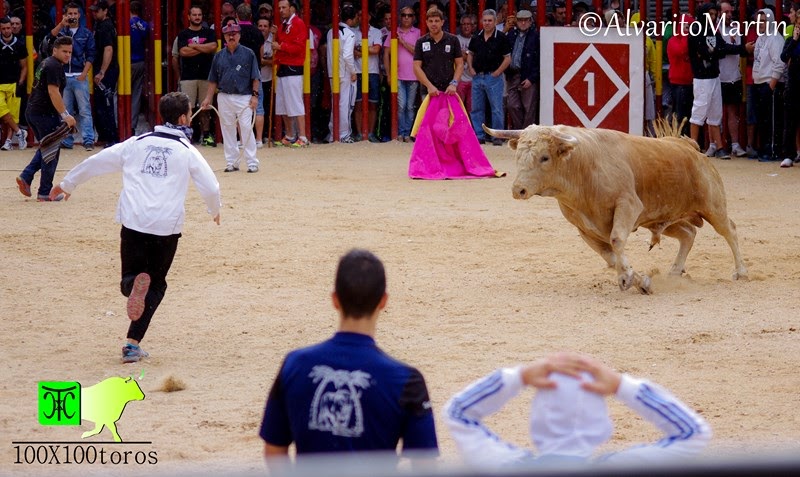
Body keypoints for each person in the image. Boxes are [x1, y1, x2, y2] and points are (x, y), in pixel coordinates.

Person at [48, 92, 221, 364]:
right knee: (157, 285)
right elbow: (211, 186)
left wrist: (67, 184)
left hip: (134, 222)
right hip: (166, 228)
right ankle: (131, 344)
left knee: (131, 276)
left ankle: (131, 286)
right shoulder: (188, 151)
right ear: (184, 118)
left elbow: (97, 162)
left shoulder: (136, 143)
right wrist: (214, 210)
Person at [259, 249, 438, 464]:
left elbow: (274, 451)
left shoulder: (294, 365)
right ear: (383, 301)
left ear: (335, 299)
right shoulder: (407, 380)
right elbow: (425, 466)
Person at [444, 352, 711, 467]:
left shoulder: (508, 467)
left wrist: (521, 376)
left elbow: (457, 412)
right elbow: (693, 433)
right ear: (602, 428)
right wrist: (621, 385)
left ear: (536, 422)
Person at [15, 36, 76, 202]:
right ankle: (44, 192)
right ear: (55, 50)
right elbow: (53, 92)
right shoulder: (55, 66)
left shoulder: (46, 62)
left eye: (70, 52)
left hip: (34, 110)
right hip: (44, 113)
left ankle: (27, 176)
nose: (67, 55)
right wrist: (66, 115)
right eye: (64, 51)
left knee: (47, 147)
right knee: (52, 151)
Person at [201, 23, 260, 173]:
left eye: (234, 33)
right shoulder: (219, 56)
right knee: (227, 129)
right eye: (228, 34)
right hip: (224, 95)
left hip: (244, 96)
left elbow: (255, 78)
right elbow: (213, 80)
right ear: (225, 37)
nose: (231, 36)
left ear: (239, 35)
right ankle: (232, 162)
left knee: (246, 128)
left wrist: (254, 96)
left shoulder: (249, 54)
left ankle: (252, 162)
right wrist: (208, 98)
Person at [687, 3, 733, 158]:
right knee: (698, 111)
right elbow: (703, 51)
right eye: (710, 14)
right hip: (702, 77)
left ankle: (719, 147)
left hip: (713, 75)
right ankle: (693, 146)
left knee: (715, 113)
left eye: (714, 14)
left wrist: (713, 52)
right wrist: (714, 52)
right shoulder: (696, 29)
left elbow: (720, 49)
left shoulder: (711, 29)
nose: (713, 17)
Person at [50, 2, 95, 151]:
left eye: (75, 14)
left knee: (84, 110)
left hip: (78, 75)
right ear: (65, 15)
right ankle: (67, 140)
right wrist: (61, 24)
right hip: (63, 76)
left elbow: (91, 55)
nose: (73, 16)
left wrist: (84, 74)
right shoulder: (62, 32)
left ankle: (88, 139)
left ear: (79, 15)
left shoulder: (86, 33)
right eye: (70, 14)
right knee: (65, 109)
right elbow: (50, 38)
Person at [467, 9, 511, 145]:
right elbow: (470, 54)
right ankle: (479, 136)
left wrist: (497, 72)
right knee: (476, 108)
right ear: (481, 21)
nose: (487, 23)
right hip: (478, 76)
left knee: (496, 108)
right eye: (485, 20)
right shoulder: (476, 37)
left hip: (494, 77)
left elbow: (507, 58)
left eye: (490, 20)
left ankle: (497, 136)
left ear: (495, 21)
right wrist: (471, 68)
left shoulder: (502, 38)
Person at [748, 8, 786, 162]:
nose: (760, 24)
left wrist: (771, 85)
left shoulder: (775, 39)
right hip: (759, 83)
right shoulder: (760, 39)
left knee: (772, 120)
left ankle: (773, 150)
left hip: (770, 84)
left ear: (769, 21)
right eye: (758, 21)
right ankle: (763, 148)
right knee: (762, 119)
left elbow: (779, 63)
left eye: (763, 21)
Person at [178, 5, 217, 147]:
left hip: (206, 75)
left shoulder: (209, 32)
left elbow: (213, 47)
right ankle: (188, 135)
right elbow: (183, 52)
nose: (197, 17)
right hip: (188, 76)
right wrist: (203, 48)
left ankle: (206, 135)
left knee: (205, 107)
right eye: (194, 15)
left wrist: (193, 46)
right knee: (187, 108)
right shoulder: (183, 34)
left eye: (199, 14)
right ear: (189, 17)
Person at [273, 0, 310, 148]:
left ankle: (302, 136)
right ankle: (289, 135)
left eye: (284, 8)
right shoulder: (283, 25)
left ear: (291, 8)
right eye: (279, 8)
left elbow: (299, 47)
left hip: (293, 67)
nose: (281, 10)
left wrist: (281, 46)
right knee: (282, 104)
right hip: (282, 66)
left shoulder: (298, 23)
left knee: (295, 103)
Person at [383, 5, 420, 143]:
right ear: (400, 17)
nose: (406, 18)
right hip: (397, 75)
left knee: (410, 106)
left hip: (413, 76)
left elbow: (418, 52)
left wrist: (403, 42)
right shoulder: (394, 32)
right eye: (404, 15)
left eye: (409, 15)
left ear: (414, 18)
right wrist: (388, 73)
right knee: (401, 106)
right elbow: (386, 54)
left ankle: (408, 133)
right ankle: (401, 132)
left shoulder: (418, 33)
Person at [413, 6, 463, 100]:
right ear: (426, 23)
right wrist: (429, 86)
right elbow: (416, 67)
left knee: (448, 115)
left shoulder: (453, 40)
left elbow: (460, 64)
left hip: (448, 90)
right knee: (429, 115)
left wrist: (454, 84)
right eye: (431, 21)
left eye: (436, 21)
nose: (433, 24)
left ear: (442, 22)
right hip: (428, 91)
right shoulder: (421, 42)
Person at [327, 5, 358, 143]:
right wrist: (353, 71)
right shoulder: (349, 33)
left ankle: (333, 133)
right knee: (345, 104)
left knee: (336, 103)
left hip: (332, 72)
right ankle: (344, 134)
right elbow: (347, 56)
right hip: (344, 72)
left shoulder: (330, 32)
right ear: (351, 19)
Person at [352, 8, 383, 142]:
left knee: (372, 104)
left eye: (364, 15)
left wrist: (359, 49)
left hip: (372, 72)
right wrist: (367, 49)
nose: (362, 17)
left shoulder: (376, 32)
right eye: (359, 15)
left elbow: (376, 50)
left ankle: (370, 133)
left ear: (370, 17)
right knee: (358, 104)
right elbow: (351, 52)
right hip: (357, 72)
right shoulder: (352, 32)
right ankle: (359, 133)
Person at [90, 1, 118, 147]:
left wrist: (102, 71)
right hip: (105, 69)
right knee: (102, 104)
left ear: (105, 11)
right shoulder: (101, 24)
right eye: (93, 11)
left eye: (97, 11)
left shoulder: (106, 26)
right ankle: (105, 135)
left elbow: (108, 50)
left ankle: (111, 137)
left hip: (107, 70)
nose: (94, 13)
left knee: (106, 104)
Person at [504, 9, 539, 130]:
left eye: (526, 20)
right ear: (517, 22)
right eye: (520, 21)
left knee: (529, 107)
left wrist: (532, 78)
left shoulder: (536, 36)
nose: (523, 23)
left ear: (530, 22)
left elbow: (539, 60)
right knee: (512, 105)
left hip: (527, 75)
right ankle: (521, 131)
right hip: (513, 74)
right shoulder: (511, 35)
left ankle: (527, 133)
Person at [0, 16, 28, 151]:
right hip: (0, 83)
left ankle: (9, 141)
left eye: (8, 28)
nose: (6, 31)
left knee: (12, 114)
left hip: (14, 83)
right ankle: (19, 131)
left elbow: (24, 66)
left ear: (12, 28)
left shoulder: (20, 44)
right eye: (3, 28)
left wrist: (20, 82)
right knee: (2, 110)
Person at [667, 13, 694, 137]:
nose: (687, 28)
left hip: (690, 82)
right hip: (678, 83)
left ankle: (684, 138)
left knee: (688, 115)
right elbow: (682, 50)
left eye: (690, 26)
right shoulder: (673, 41)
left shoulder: (686, 39)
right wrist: (686, 36)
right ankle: (678, 139)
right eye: (685, 25)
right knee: (679, 115)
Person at [780, 6, 800, 167]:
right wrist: (793, 40)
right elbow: (784, 56)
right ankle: (789, 154)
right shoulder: (791, 39)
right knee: (789, 122)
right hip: (793, 85)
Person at [129, 1, 150, 135]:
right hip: (141, 62)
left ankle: (121, 124)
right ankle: (132, 125)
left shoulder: (125, 23)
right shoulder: (145, 25)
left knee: (119, 95)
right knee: (136, 95)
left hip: (127, 63)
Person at [257, 16, 274, 146]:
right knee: (256, 109)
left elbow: (275, 60)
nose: (262, 28)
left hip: (268, 79)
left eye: (265, 26)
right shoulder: (254, 39)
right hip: (256, 80)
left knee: (267, 109)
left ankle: (267, 136)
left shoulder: (273, 41)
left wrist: (264, 61)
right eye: (260, 26)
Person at [456, 13, 476, 116]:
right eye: (464, 24)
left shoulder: (477, 39)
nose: (466, 26)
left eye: (469, 24)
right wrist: (470, 54)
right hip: (460, 79)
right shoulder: (455, 39)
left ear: (473, 26)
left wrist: (466, 54)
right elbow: (457, 56)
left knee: (472, 109)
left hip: (473, 79)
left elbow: (477, 57)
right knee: (459, 108)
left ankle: (472, 130)